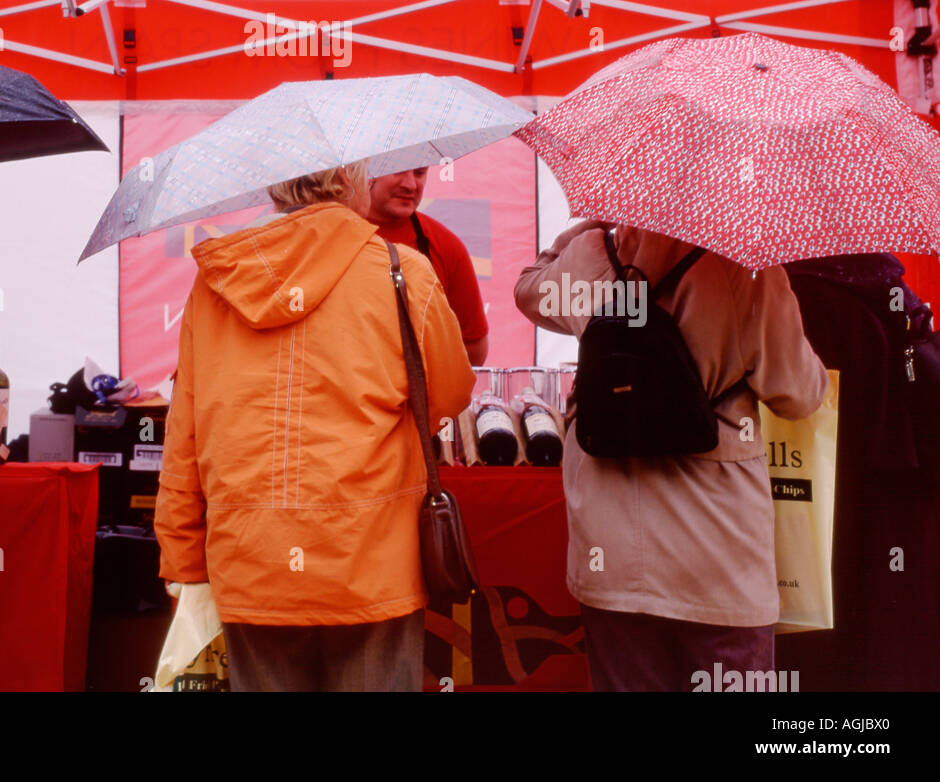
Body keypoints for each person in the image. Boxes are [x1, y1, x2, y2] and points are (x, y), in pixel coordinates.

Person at [155, 162, 474, 691]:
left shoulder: (217, 282)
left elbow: (184, 435)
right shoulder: (403, 271)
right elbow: (448, 396)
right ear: (354, 182)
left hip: (250, 560)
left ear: (274, 184)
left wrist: (183, 559)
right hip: (371, 561)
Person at [514, 219, 827, 692]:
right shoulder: (747, 271)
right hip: (719, 559)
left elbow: (527, 289)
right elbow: (800, 395)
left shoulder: (587, 255)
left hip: (612, 552)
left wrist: (591, 227)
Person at [776, 253, 940, 691]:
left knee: (822, 649)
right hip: (902, 504)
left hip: (826, 501)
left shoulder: (798, 295)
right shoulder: (896, 291)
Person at [365, 167, 489, 366]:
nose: (410, 184)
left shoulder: (446, 247)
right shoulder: (331, 236)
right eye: (400, 170)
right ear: (368, 170)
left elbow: (472, 350)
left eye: (420, 173)